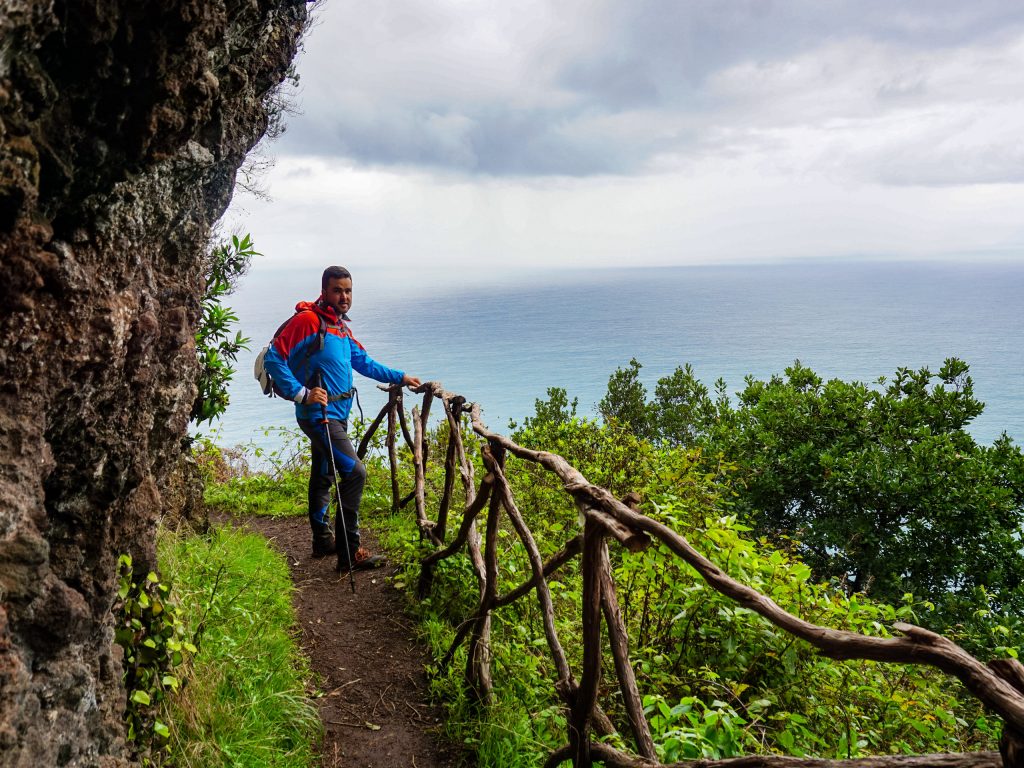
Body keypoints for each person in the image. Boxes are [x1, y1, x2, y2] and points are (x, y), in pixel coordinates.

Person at [262, 266, 422, 570]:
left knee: (324, 473)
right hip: (318, 415)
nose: (344, 296)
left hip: (336, 415)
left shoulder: (339, 328)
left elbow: (364, 362)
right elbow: (274, 356)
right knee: (355, 473)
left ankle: (323, 541)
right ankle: (349, 554)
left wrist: (401, 376)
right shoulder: (308, 321)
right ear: (325, 291)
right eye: (338, 290)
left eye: (348, 290)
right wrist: (301, 393)